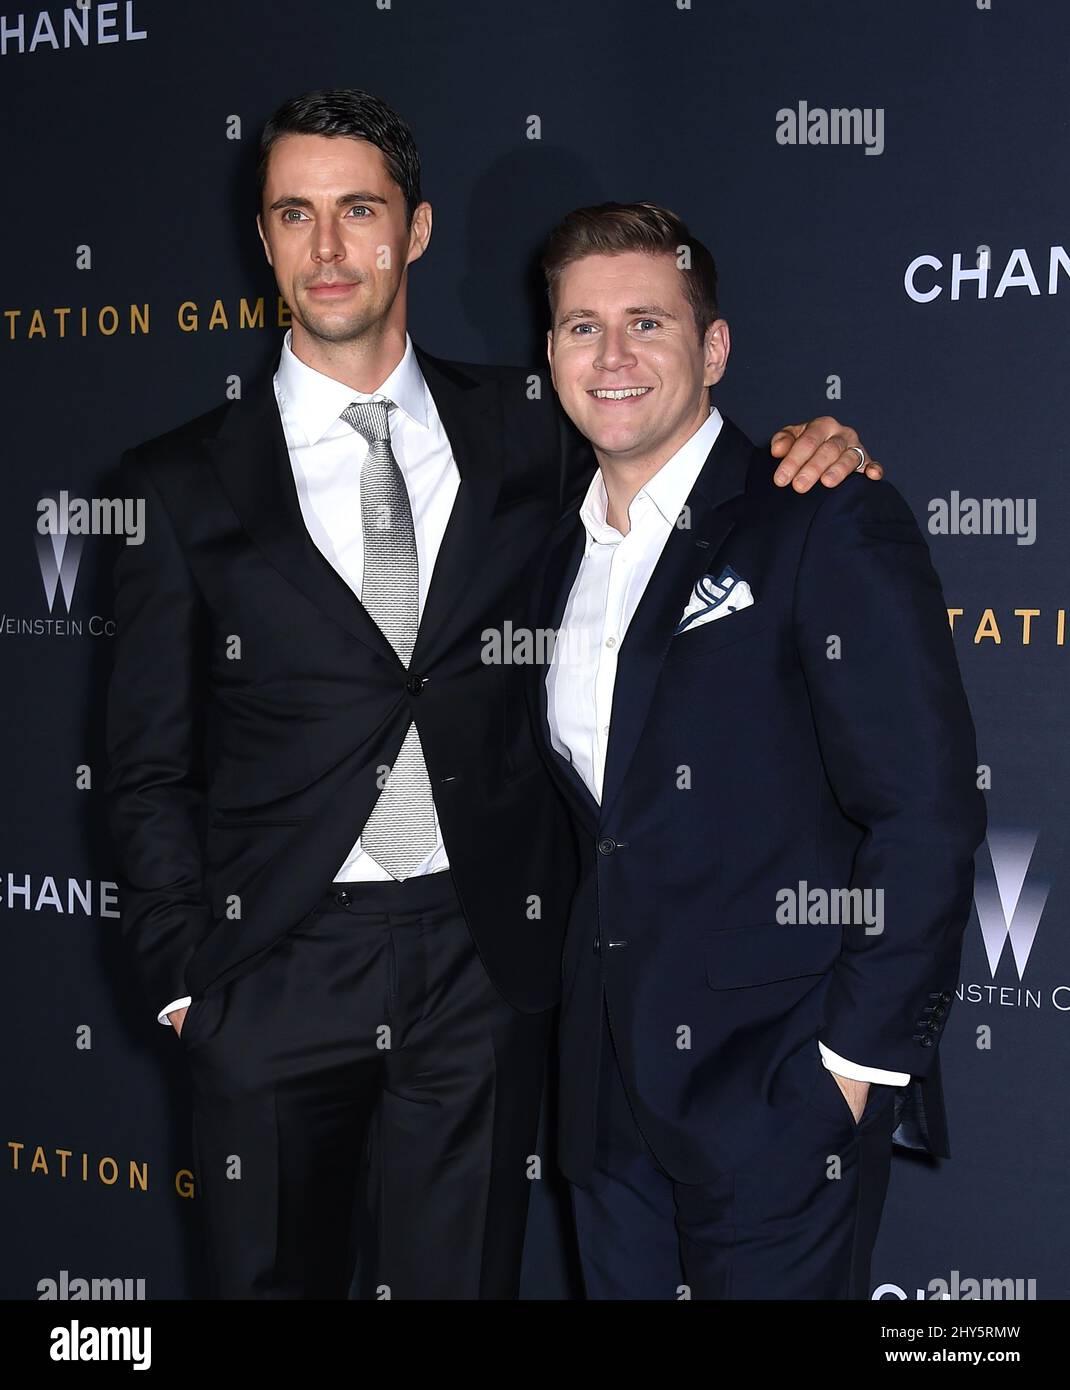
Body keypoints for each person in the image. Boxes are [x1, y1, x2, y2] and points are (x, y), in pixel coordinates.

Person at [102, 90, 881, 1300]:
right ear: (260, 240)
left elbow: (672, 452)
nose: (326, 248)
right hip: (271, 972)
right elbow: (144, 762)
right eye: (292, 214)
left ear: (411, 230)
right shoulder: (174, 482)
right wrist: (183, 981)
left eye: (356, 211)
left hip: (484, 965)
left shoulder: (534, 431)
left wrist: (813, 450)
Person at [533, 201, 986, 1299]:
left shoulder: (818, 512)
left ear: (713, 346)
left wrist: (848, 1070)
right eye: (580, 326)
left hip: (777, 1095)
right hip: (604, 1104)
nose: (613, 356)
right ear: (548, 351)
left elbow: (924, 806)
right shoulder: (547, 547)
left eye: (647, 321)